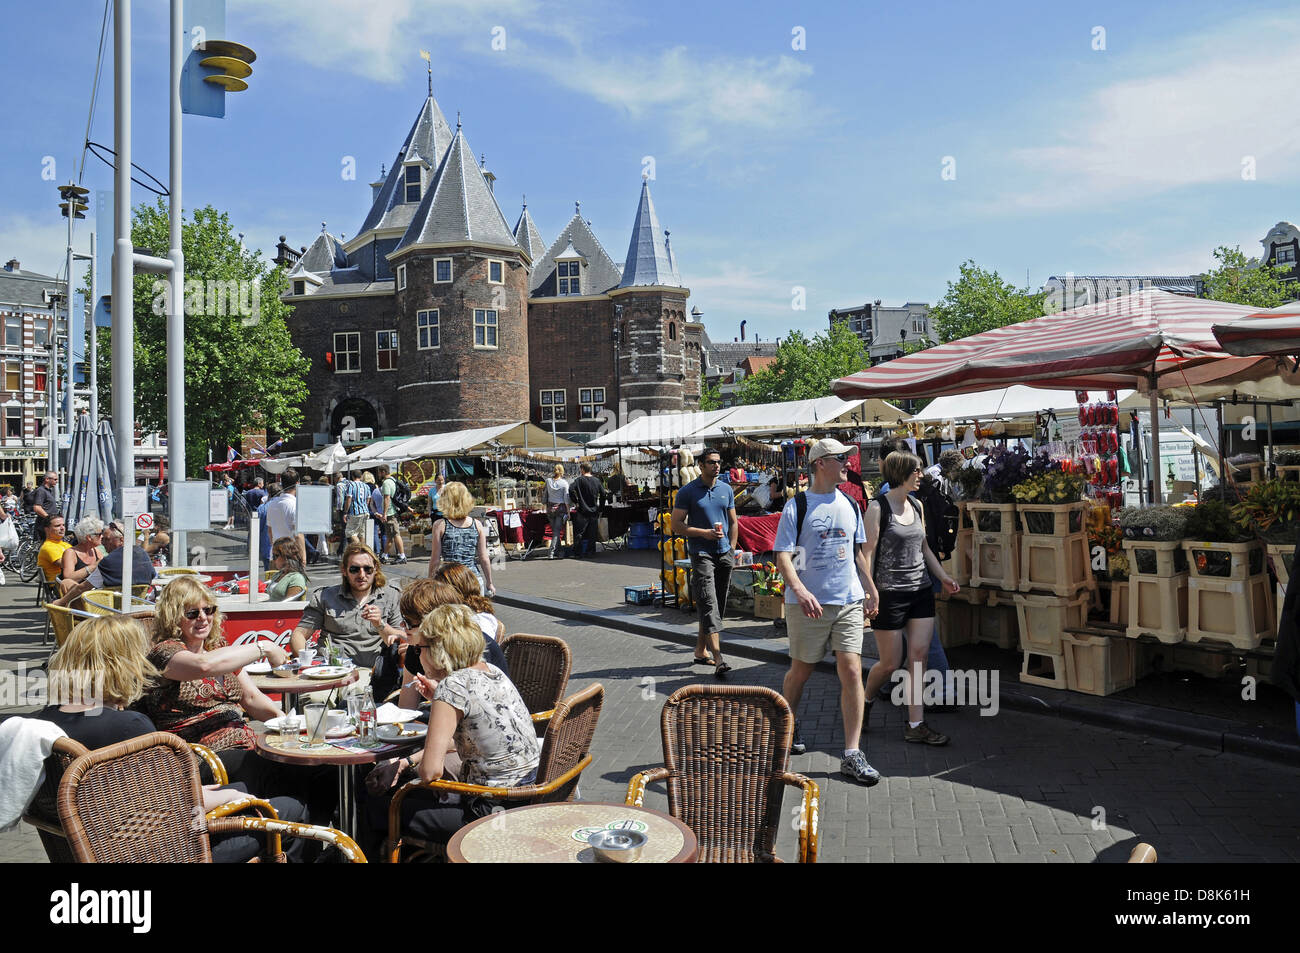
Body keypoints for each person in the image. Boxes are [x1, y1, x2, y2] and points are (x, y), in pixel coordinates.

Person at [773, 437, 879, 784]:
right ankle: (787, 724)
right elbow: (783, 555)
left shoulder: (849, 502)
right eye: (841, 459)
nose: (848, 464)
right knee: (800, 672)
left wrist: (870, 588)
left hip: (847, 600)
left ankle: (851, 753)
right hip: (808, 604)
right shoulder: (798, 505)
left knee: (851, 671)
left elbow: (857, 552)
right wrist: (799, 590)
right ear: (820, 463)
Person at [392, 604, 541, 844]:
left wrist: (404, 764)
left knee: (384, 807)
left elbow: (430, 772)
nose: (417, 655)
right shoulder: (490, 669)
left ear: (437, 650)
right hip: (528, 795)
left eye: (419, 648)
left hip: (488, 811)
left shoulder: (452, 687)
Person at [862, 451, 960, 747]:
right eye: (916, 470)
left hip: (919, 591)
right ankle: (865, 700)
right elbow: (866, 554)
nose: (921, 475)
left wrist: (942, 576)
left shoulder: (917, 505)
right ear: (902, 472)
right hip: (889, 594)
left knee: (918, 658)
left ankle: (915, 724)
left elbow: (925, 548)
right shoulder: (877, 509)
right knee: (890, 664)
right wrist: (870, 591)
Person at [142, 577, 289, 752]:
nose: (203, 618)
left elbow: (250, 698)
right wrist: (265, 647)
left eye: (208, 610)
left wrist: (284, 721)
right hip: (198, 756)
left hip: (242, 745)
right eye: (192, 613)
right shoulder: (165, 652)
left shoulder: (217, 648)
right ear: (173, 617)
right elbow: (204, 666)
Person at [289, 542, 403, 684]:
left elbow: (403, 639)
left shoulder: (390, 596)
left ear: (375, 570)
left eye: (368, 569)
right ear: (344, 570)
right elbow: (298, 634)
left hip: (369, 673)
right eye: (355, 569)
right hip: (330, 670)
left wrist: (380, 625)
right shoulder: (325, 596)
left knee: (356, 690)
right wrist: (307, 666)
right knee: (312, 698)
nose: (362, 575)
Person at [670, 448, 736, 677]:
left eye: (718, 462)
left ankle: (700, 650)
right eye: (711, 462)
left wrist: (733, 548)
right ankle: (718, 658)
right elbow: (676, 525)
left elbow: (733, 521)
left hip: (724, 553)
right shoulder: (688, 492)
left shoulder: (726, 489)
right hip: (701, 553)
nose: (716, 466)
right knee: (708, 602)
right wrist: (703, 533)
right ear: (700, 465)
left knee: (716, 603)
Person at [432, 561, 509, 671]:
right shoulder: (462, 615)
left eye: (440, 593)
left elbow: (474, 660)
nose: (437, 598)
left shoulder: (479, 621)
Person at [428, 481, 494, 596]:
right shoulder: (477, 524)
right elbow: (484, 558)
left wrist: (430, 581)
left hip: (450, 580)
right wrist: (489, 582)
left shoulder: (440, 525)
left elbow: (435, 559)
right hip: (473, 579)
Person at [265, 468, 306, 567]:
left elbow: (270, 531)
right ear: (297, 483)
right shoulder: (296, 505)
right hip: (291, 557)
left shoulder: (272, 504)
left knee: (274, 582)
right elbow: (298, 534)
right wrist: (303, 558)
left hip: (274, 556)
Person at [568, 462, 606, 559]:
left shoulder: (579, 480)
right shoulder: (597, 481)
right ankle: (591, 551)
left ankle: (578, 552)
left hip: (582, 510)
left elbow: (571, 489)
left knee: (579, 532)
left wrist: (576, 501)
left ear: (582, 469)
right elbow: (603, 494)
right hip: (594, 510)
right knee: (592, 533)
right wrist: (601, 507)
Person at [58, 517, 104, 597]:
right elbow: (68, 577)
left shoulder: (97, 551)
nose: (102, 536)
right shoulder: (71, 553)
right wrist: (92, 567)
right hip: (76, 595)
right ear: (89, 537)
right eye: (99, 534)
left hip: (95, 593)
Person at [376, 465, 407, 564]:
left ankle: (402, 555)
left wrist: (384, 513)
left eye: (379, 472)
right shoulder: (393, 480)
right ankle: (384, 555)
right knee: (390, 535)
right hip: (393, 511)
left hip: (390, 512)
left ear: (383, 472)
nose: (378, 474)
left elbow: (387, 498)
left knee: (396, 534)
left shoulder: (386, 483)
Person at [266, 536, 309, 600]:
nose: (273, 559)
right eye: (273, 556)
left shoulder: (296, 578)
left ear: (286, 556)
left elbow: (289, 605)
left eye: (276, 556)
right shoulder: (278, 574)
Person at [35, 514, 70, 585]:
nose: (62, 528)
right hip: (60, 585)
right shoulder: (48, 547)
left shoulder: (65, 544)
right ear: (47, 529)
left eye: (63, 525)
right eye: (57, 526)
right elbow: (66, 565)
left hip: (69, 581)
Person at [544, 464, 570, 559]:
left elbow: (545, 495)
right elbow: (566, 499)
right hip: (560, 509)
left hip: (550, 508)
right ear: (562, 472)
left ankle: (560, 551)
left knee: (555, 531)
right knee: (557, 531)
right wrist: (568, 511)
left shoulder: (548, 481)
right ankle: (551, 551)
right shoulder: (564, 483)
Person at [341, 471, 370, 547]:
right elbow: (368, 499)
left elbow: (349, 499)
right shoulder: (366, 486)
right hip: (365, 511)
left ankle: (359, 548)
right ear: (361, 476)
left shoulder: (351, 485)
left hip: (355, 512)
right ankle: (363, 551)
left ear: (353, 476)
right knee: (361, 534)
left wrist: (345, 512)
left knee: (350, 533)